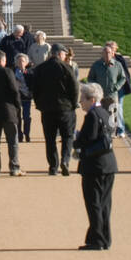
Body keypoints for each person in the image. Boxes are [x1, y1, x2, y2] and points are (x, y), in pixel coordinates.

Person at [73, 82, 117, 250]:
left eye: (82, 99)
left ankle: (97, 240)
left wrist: (76, 139)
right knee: (104, 203)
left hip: (95, 166)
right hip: (108, 165)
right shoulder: (104, 113)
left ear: (91, 99)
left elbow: (87, 139)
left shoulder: (92, 115)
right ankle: (104, 238)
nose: (80, 102)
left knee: (94, 203)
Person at [32, 43, 79, 176]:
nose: (65, 56)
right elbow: (74, 88)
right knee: (67, 136)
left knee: (50, 138)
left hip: (47, 109)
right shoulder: (67, 67)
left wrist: (39, 104)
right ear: (59, 54)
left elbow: (35, 89)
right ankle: (65, 160)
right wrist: (74, 104)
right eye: (64, 54)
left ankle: (53, 166)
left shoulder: (40, 68)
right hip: (65, 108)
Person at [87, 43, 128, 136]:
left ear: (112, 54)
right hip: (99, 96)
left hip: (112, 95)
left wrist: (117, 86)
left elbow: (123, 78)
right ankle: (100, 132)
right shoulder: (96, 65)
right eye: (105, 53)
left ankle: (112, 133)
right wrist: (95, 88)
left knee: (112, 115)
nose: (107, 54)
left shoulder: (117, 65)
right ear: (102, 54)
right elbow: (90, 78)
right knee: (99, 114)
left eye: (109, 53)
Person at [108, 40, 131, 137]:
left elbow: (125, 75)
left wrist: (120, 85)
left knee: (118, 108)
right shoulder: (103, 60)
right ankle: (110, 130)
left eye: (112, 48)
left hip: (119, 88)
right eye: (109, 47)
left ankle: (121, 129)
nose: (111, 50)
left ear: (116, 49)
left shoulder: (120, 60)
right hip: (107, 88)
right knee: (108, 109)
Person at [14, 52, 35, 142]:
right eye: (19, 61)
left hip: (26, 98)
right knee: (17, 117)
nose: (21, 63)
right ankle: (19, 134)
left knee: (26, 117)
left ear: (26, 62)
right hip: (17, 98)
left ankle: (27, 134)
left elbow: (33, 85)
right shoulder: (13, 72)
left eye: (22, 61)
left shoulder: (30, 72)